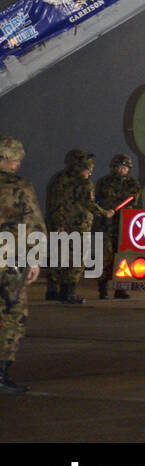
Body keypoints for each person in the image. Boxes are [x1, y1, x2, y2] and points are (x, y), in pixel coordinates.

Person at [0, 135, 44, 394]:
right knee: (13, 315)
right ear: (14, 160)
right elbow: (34, 226)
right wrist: (34, 260)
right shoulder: (20, 186)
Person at [45, 150, 109, 305]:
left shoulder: (58, 179)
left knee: (57, 257)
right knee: (76, 260)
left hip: (57, 225)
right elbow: (89, 203)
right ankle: (68, 292)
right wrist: (105, 213)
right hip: (77, 227)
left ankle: (53, 290)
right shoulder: (84, 183)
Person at [94, 154, 141, 300]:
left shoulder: (133, 184)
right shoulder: (104, 182)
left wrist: (116, 209)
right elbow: (97, 199)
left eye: (125, 167)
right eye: (120, 167)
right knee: (105, 257)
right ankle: (103, 289)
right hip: (106, 226)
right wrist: (102, 211)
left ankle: (121, 289)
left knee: (123, 259)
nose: (122, 170)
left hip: (124, 226)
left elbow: (133, 200)